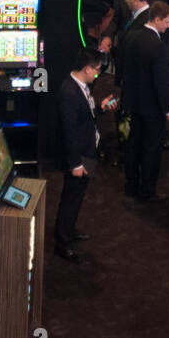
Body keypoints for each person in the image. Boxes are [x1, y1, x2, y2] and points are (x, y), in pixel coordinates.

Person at [55, 48, 118, 264]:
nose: (98, 74)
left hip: (88, 151)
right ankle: (62, 243)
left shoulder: (82, 86)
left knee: (79, 195)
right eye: (97, 70)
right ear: (87, 68)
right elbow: (69, 131)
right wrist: (74, 164)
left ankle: (70, 230)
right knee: (70, 198)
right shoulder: (69, 92)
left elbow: (85, 117)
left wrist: (100, 109)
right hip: (79, 157)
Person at [120, 1, 169, 202]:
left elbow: (125, 69)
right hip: (152, 108)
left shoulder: (132, 36)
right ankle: (146, 190)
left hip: (134, 103)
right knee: (151, 149)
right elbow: (160, 83)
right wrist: (168, 109)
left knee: (134, 145)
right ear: (157, 19)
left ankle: (130, 185)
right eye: (167, 22)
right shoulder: (158, 46)